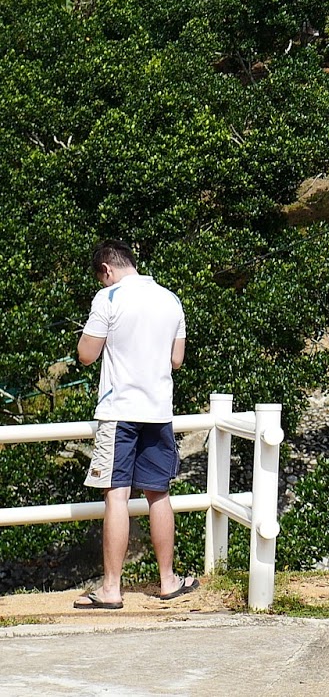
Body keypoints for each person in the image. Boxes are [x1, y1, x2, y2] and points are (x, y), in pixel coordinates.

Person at [74, 240, 195, 609]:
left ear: (106, 270)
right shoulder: (170, 299)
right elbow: (177, 360)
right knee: (158, 493)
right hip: (158, 411)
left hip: (119, 410)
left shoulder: (107, 299)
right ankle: (168, 580)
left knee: (116, 495)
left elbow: (85, 355)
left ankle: (111, 588)